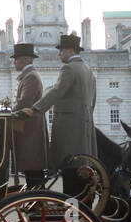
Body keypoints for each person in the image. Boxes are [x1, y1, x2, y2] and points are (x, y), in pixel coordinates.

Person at [20, 32, 97, 175]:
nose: (59, 54)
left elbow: (56, 92)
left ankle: (69, 198)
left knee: (69, 171)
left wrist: (35, 109)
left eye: (61, 51)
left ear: (71, 51)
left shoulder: (68, 68)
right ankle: (80, 198)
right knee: (81, 170)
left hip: (69, 129)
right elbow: (93, 100)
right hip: (85, 126)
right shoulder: (88, 70)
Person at [11, 43, 49, 188]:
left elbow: (24, 103)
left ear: (25, 60)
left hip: (30, 129)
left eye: (16, 59)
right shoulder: (27, 76)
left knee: (33, 168)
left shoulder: (31, 77)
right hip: (27, 128)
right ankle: (35, 201)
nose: (14, 62)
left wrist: (9, 112)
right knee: (31, 169)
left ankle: (38, 202)